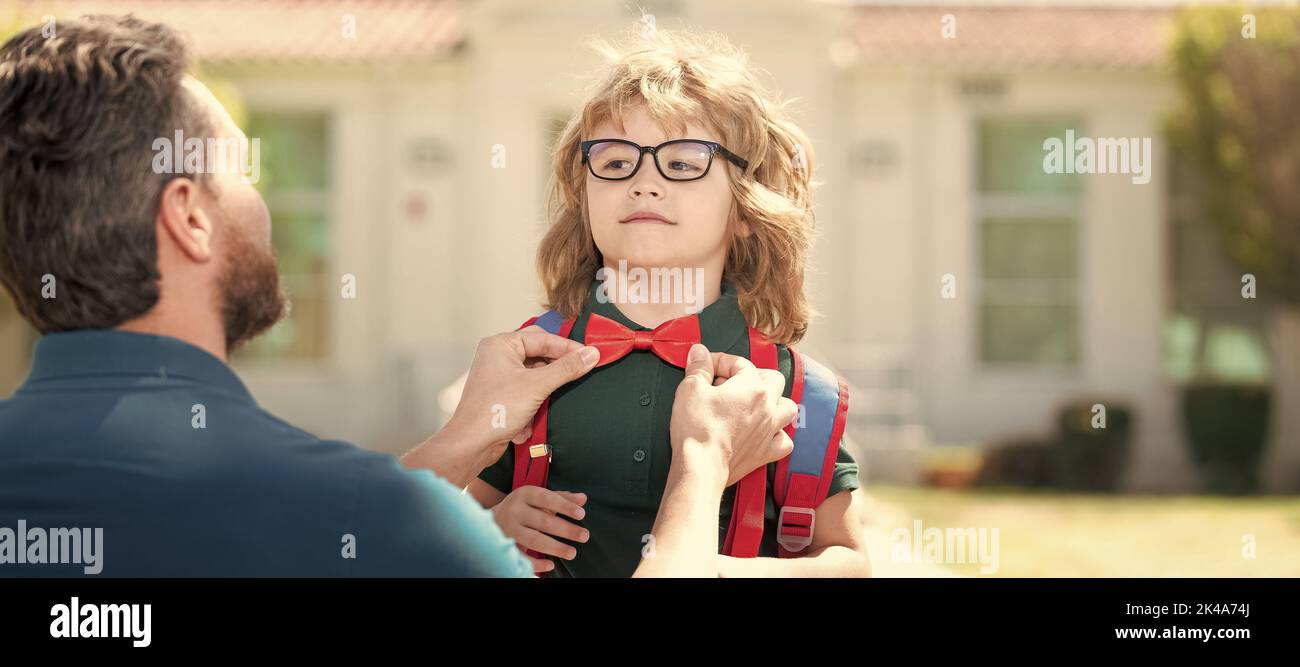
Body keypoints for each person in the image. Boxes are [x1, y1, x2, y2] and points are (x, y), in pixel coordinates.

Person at [0, 15, 794, 578]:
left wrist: (462, 441)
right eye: (244, 171)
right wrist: (701, 465)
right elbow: (357, 522)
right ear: (189, 218)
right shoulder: (379, 522)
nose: (264, 202)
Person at [468, 29, 872, 577]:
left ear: (745, 209)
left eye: (683, 164)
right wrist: (492, 529)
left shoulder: (792, 388)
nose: (643, 183)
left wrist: (724, 572)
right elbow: (453, 526)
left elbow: (851, 561)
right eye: (615, 163)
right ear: (584, 199)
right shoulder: (530, 366)